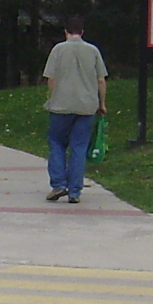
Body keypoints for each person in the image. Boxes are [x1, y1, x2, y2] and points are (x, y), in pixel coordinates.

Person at [41, 15, 108, 203]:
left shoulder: (58, 50)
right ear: (82, 32)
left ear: (65, 32)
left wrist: (52, 97)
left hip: (61, 106)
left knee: (56, 143)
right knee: (79, 147)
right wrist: (101, 103)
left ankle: (58, 184)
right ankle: (75, 191)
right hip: (86, 106)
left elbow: (51, 78)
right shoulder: (93, 51)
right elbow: (101, 80)